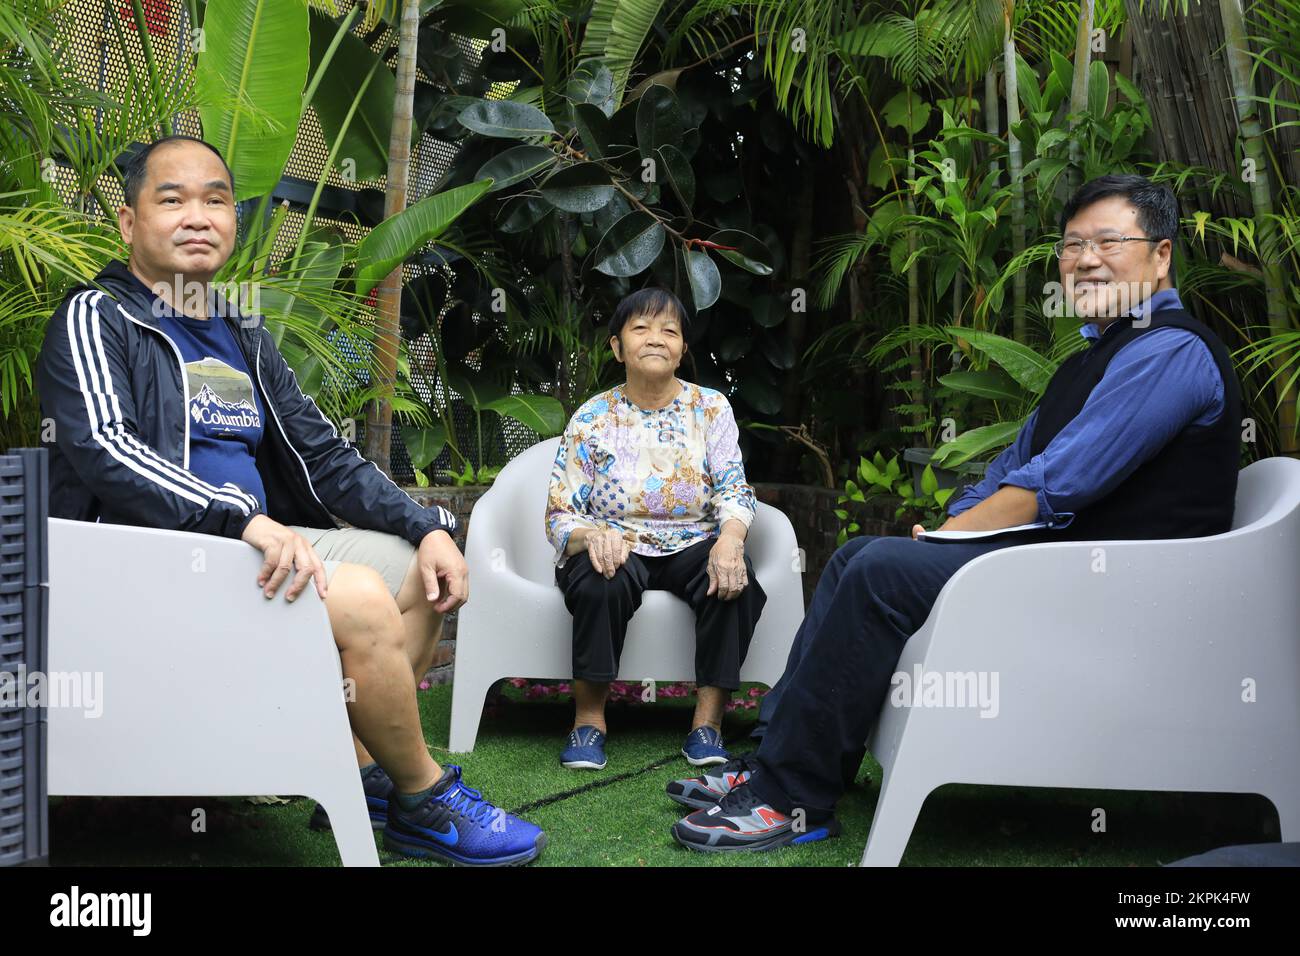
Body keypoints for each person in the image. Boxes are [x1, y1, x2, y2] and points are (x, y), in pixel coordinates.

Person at [667, 173, 1242, 853]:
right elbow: (1011, 470)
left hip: (1124, 596)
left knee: (879, 568)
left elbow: (1057, 485)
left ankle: (789, 797)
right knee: (859, 555)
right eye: (1071, 245)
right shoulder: (1093, 359)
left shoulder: (1171, 351)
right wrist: (949, 526)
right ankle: (776, 760)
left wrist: (951, 535)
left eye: (1108, 242)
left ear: (1161, 254)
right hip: (1070, 571)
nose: (1085, 260)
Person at [35, 135, 545, 866]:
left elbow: (324, 456)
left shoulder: (241, 332)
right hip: (145, 563)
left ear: (233, 220)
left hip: (243, 557)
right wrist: (239, 517)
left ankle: (365, 772)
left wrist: (427, 525)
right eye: (170, 199)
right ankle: (424, 797)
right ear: (128, 222)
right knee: (365, 599)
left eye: (214, 199)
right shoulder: (97, 317)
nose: (197, 215)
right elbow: (107, 450)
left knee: (420, 575)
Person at [545, 288, 767, 770]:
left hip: (693, 540)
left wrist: (730, 539)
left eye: (669, 330)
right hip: (617, 540)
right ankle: (588, 723)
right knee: (596, 578)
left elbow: (734, 487)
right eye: (641, 328)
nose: (656, 339)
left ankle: (706, 727)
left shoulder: (711, 409)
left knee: (733, 580)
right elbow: (561, 511)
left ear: (683, 349)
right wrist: (591, 537)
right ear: (617, 346)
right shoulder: (592, 417)